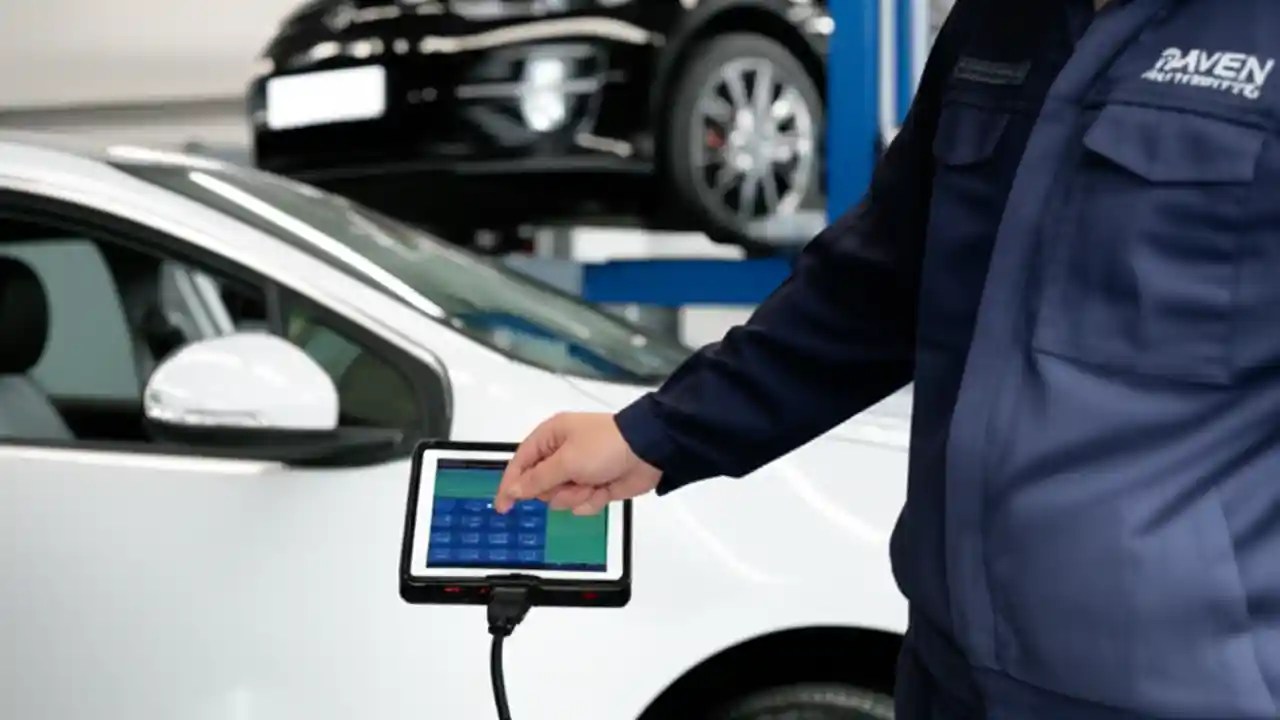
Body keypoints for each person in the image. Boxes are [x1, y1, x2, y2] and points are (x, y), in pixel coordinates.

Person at [495, 0, 1280, 717]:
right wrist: (659, 433)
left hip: (1185, 685)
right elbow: (878, 283)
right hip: (949, 672)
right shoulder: (1003, 23)